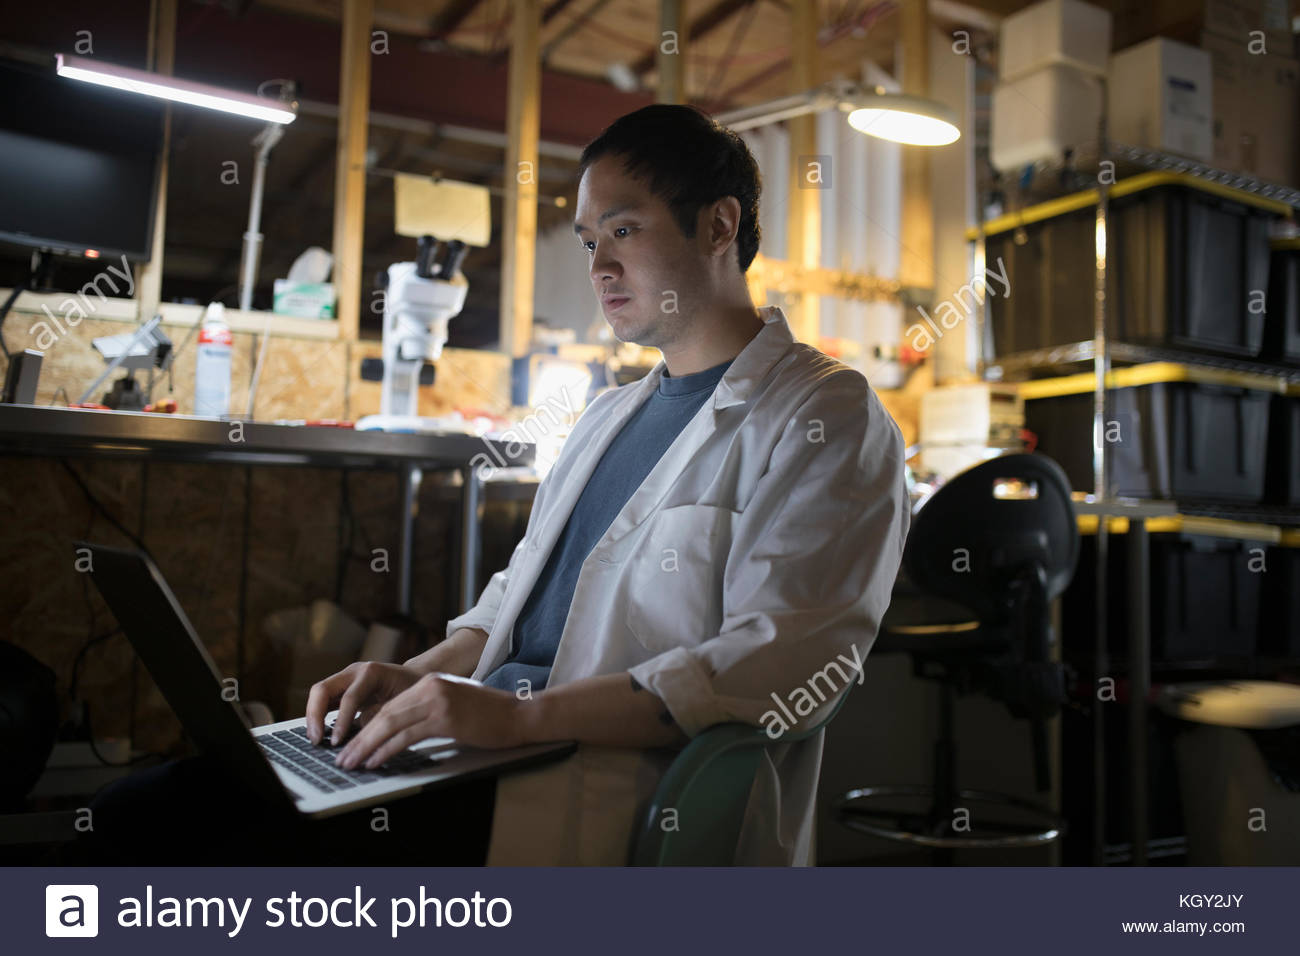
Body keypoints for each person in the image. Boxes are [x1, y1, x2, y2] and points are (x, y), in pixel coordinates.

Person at [304, 104, 910, 866]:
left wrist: (521, 721)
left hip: (610, 794)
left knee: (197, 827)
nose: (597, 267)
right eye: (590, 241)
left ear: (720, 227)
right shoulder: (606, 416)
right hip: (485, 753)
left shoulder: (826, 413)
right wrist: (413, 677)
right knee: (196, 796)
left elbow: (778, 662)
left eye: (623, 231)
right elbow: (513, 595)